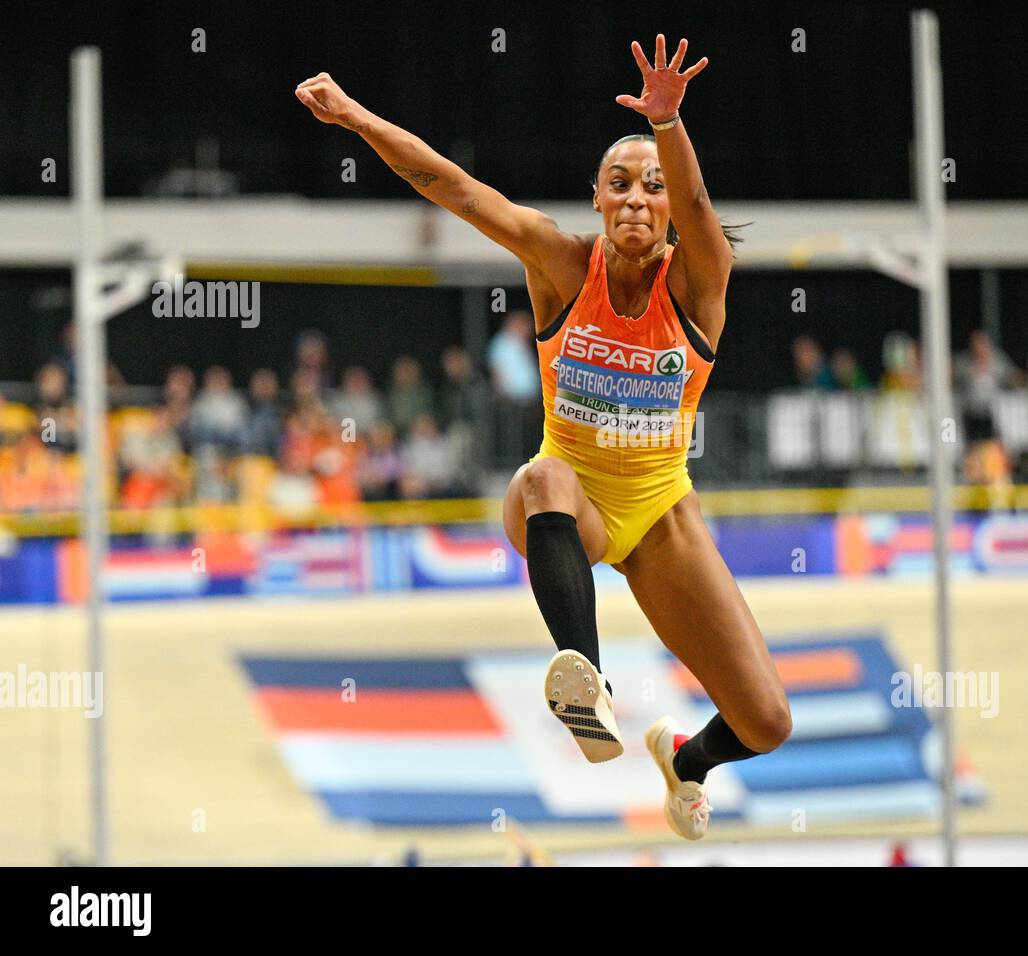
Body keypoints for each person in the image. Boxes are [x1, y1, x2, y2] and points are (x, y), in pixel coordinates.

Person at [297, 33, 791, 841]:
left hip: (662, 513)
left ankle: (687, 762)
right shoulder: (563, 266)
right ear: (595, 200)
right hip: (571, 505)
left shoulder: (698, 285)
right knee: (541, 479)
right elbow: (452, 188)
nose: (636, 198)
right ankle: (585, 680)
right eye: (619, 184)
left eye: (653, 188)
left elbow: (704, 211)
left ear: (668, 210)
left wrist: (668, 124)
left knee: (767, 722)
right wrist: (355, 119)